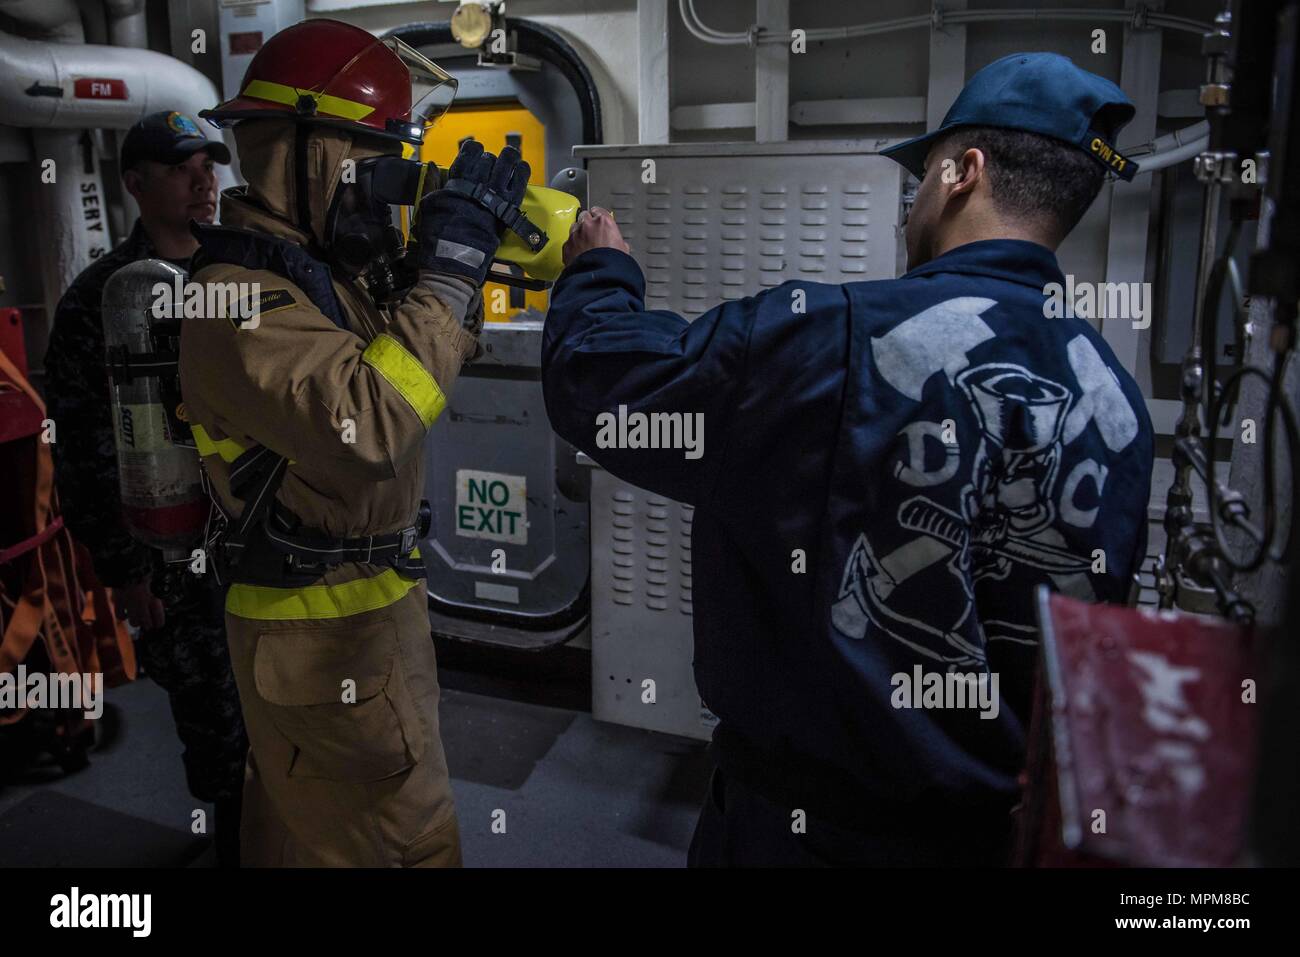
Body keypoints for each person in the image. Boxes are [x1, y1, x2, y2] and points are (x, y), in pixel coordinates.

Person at [541, 52, 1156, 866]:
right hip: (996, 837)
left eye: (921, 178)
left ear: (964, 171)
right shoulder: (1116, 403)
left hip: (804, 832)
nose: (912, 205)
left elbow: (600, 381)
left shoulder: (832, 337)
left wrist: (599, 270)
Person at [179, 19, 528, 866]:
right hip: (324, 636)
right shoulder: (235, 299)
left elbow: (419, 363)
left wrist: (441, 276)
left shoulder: (316, 278)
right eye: (369, 170)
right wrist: (447, 273)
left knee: (306, 839)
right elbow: (372, 422)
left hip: (354, 619)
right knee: (407, 845)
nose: (381, 196)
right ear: (306, 155)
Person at [43, 111, 248, 867]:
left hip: (260, 537)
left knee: (291, 710)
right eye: (181, 169)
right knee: (219, 728)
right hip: (173, 558)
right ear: (135, 183)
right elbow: (84, 447)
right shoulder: (100, 301)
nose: (204, 181)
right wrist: (125, 569)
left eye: (209, 166)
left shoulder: (245, 277)